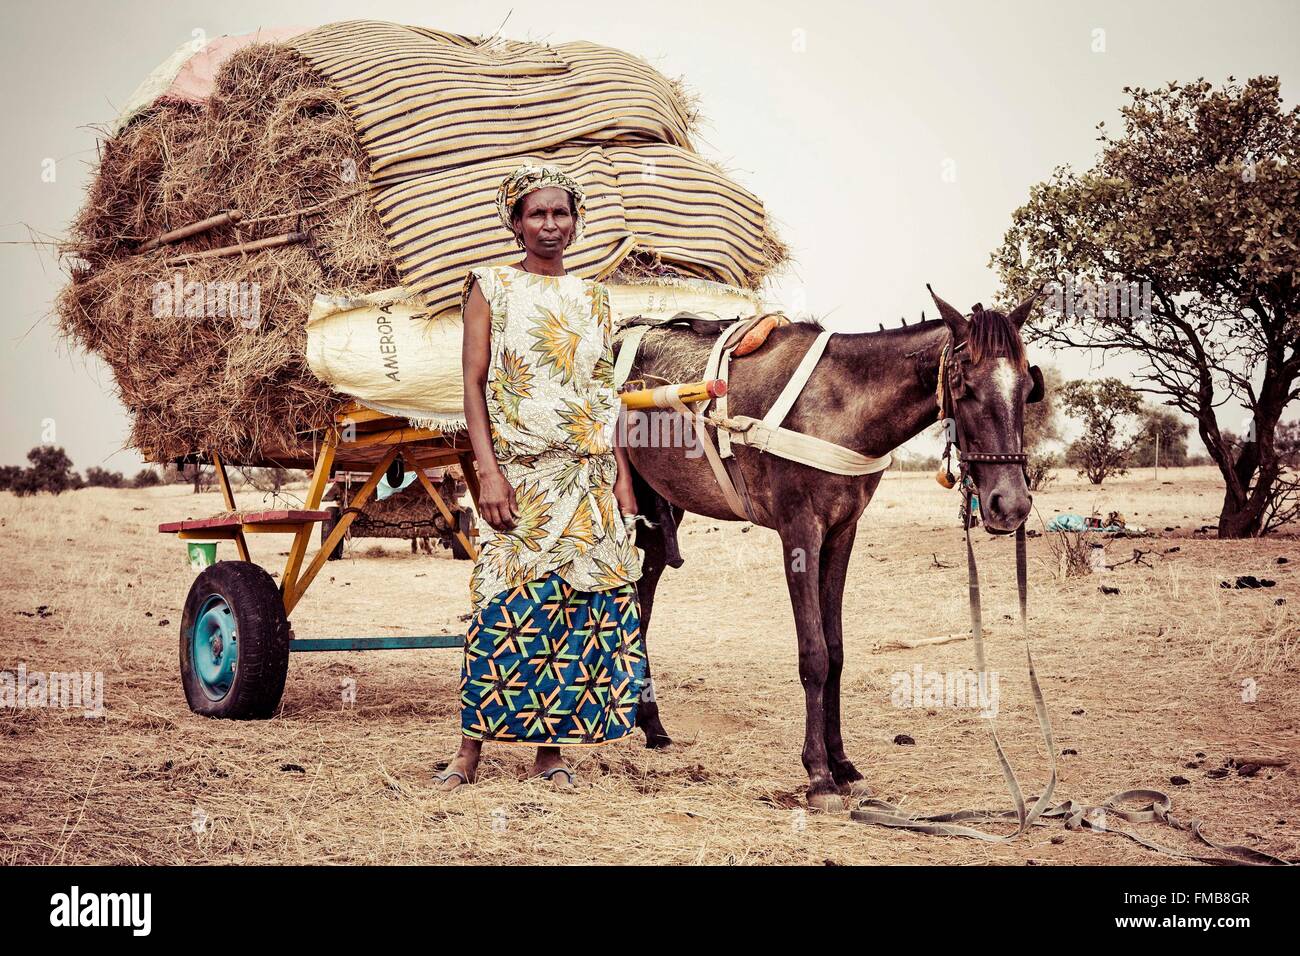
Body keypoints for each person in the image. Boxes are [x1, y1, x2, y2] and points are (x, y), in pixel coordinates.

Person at [434, 163, 647, 792]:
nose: (550, 225)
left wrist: (622, 479)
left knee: (571, 611)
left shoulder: (597, 299)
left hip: (587, 474)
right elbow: (473, 385)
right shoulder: (490, 287)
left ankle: (549, 753)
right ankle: (468, 751)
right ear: (516, 221)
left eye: (561, 213)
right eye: (537, 214)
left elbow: (607, 395)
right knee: (499, 606)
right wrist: (488, 475)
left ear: (576, 223)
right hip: (521, 477)